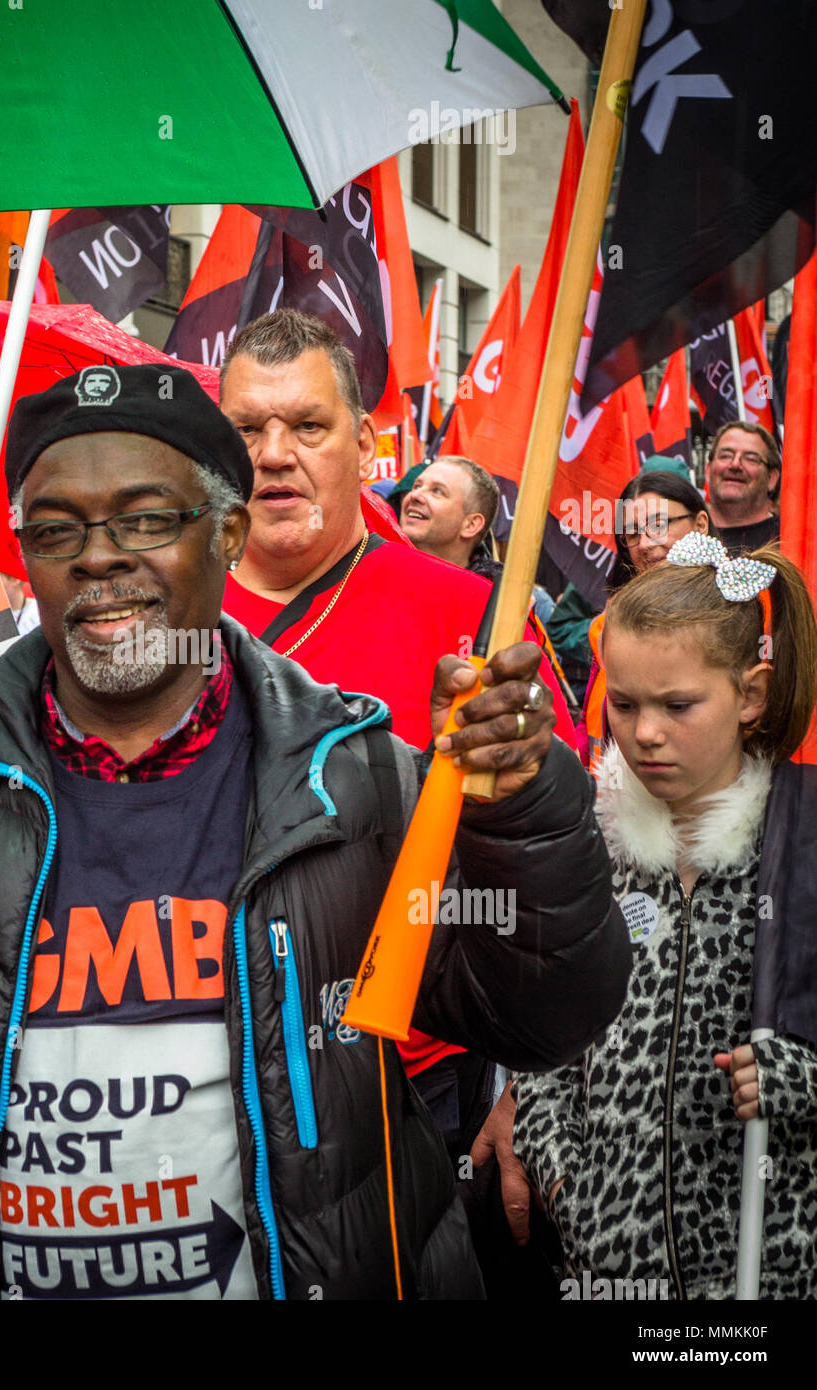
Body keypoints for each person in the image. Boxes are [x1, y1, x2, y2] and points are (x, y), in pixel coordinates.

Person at [0, 363, 629, 1299]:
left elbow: (545, 1014)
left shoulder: (358, 784)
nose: (99, 553)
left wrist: (521, 812)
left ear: (229, 532)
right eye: (56, 527)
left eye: (147, 518)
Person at [216, 311, 579, 1241]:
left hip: (413, 1082)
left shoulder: (473, 620)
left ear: (365, 444)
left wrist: (528, 1087)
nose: (274, 454)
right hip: (198, 1073)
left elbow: (564, 862)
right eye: (247, 430)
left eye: (307, 426)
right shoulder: (158, 614)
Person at [515, 534, 817, 1299]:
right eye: (623, 703)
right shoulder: (586, 842)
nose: (644, 733)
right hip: (607, 1271)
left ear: (751, 695)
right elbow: (543, 1032)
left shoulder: (802, 852)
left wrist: (803, 1079)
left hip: (769, 1273)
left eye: (678, 705)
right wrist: (569, 1185)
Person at [580, 466, 717, 773]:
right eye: (632, 534)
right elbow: (588, 724)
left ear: (701, 524)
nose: (643, 544)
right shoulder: (607, 624)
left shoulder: (740, 613)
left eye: (658, 525)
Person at [399, 456, 500, 573]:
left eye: (437, 491)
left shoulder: (498, 590)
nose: (414, 495)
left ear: (471, 525)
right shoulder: (377, 570)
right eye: (417, 486)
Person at [704, 422, 781, 553]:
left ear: (771, 478)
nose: (735, 465)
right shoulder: (683, 533)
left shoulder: (790, 539)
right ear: (708, 470)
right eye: (725, 456)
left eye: (751, 459)